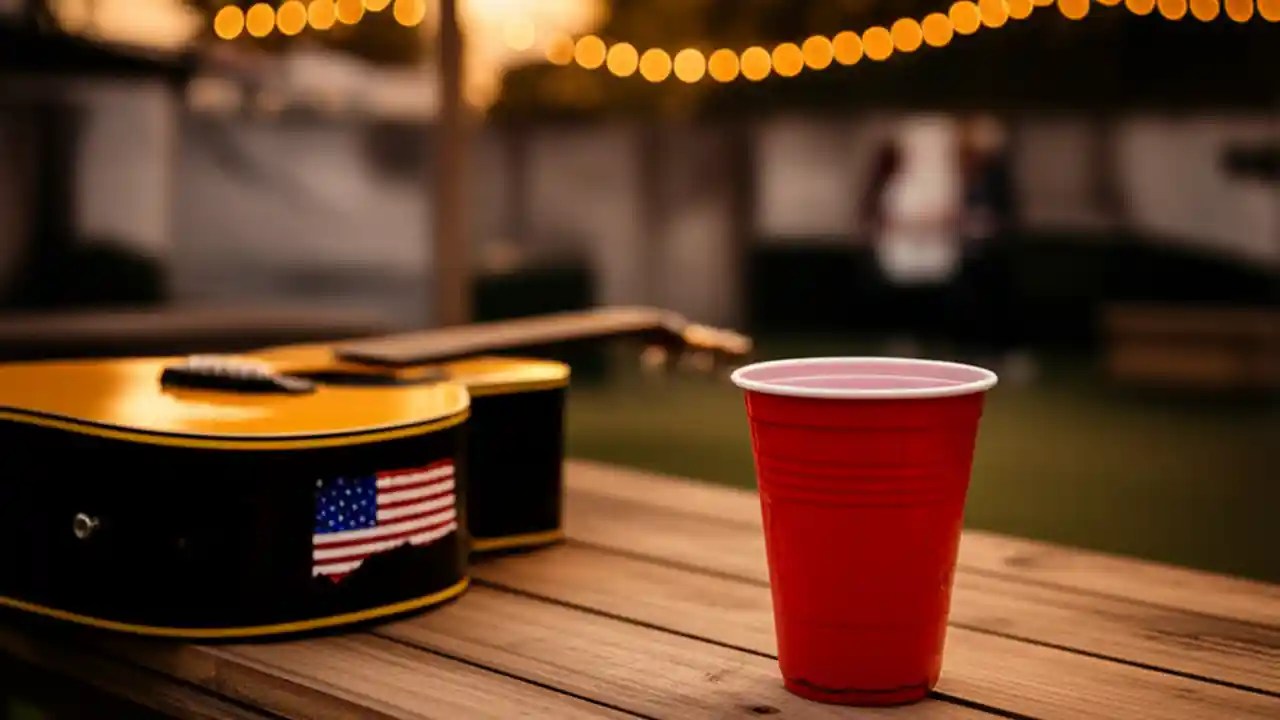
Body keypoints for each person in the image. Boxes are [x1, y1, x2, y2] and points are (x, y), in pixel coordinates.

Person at [955, 115, 1036, 382]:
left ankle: (1009, 354)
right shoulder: (967, 175)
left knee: (1000, 305)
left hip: (997, 254)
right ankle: (979, 354)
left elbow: (1006, 213)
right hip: (974, 251)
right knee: (974, 305)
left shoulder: (998, 175)